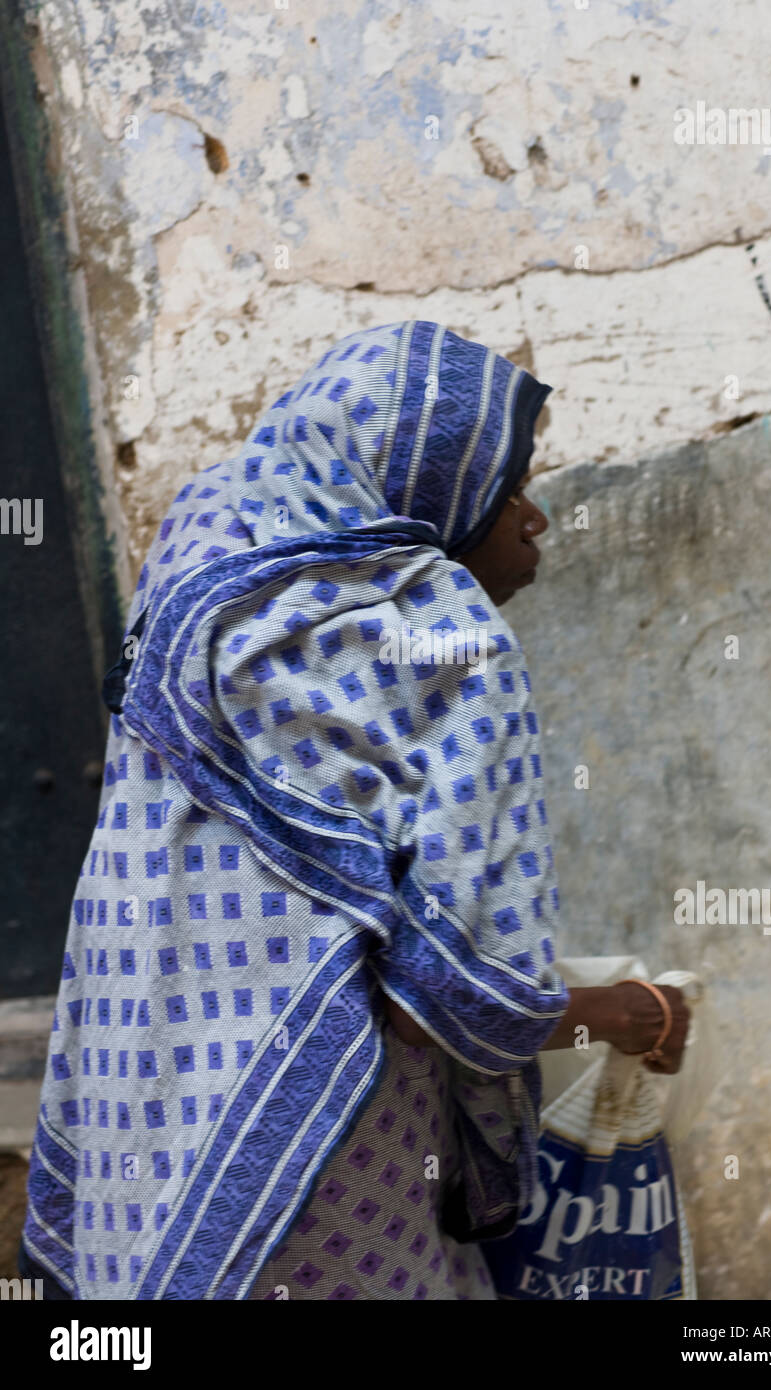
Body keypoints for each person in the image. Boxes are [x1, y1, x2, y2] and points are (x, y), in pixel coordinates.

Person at [20, 320, 688, 1301]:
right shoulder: (445, 640)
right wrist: (625, 1014)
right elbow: (453, 1003)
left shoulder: (203, 561)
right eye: (506, 492)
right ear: (423, 497)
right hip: (324, 1145)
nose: (534, 518)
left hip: (145, 1089)